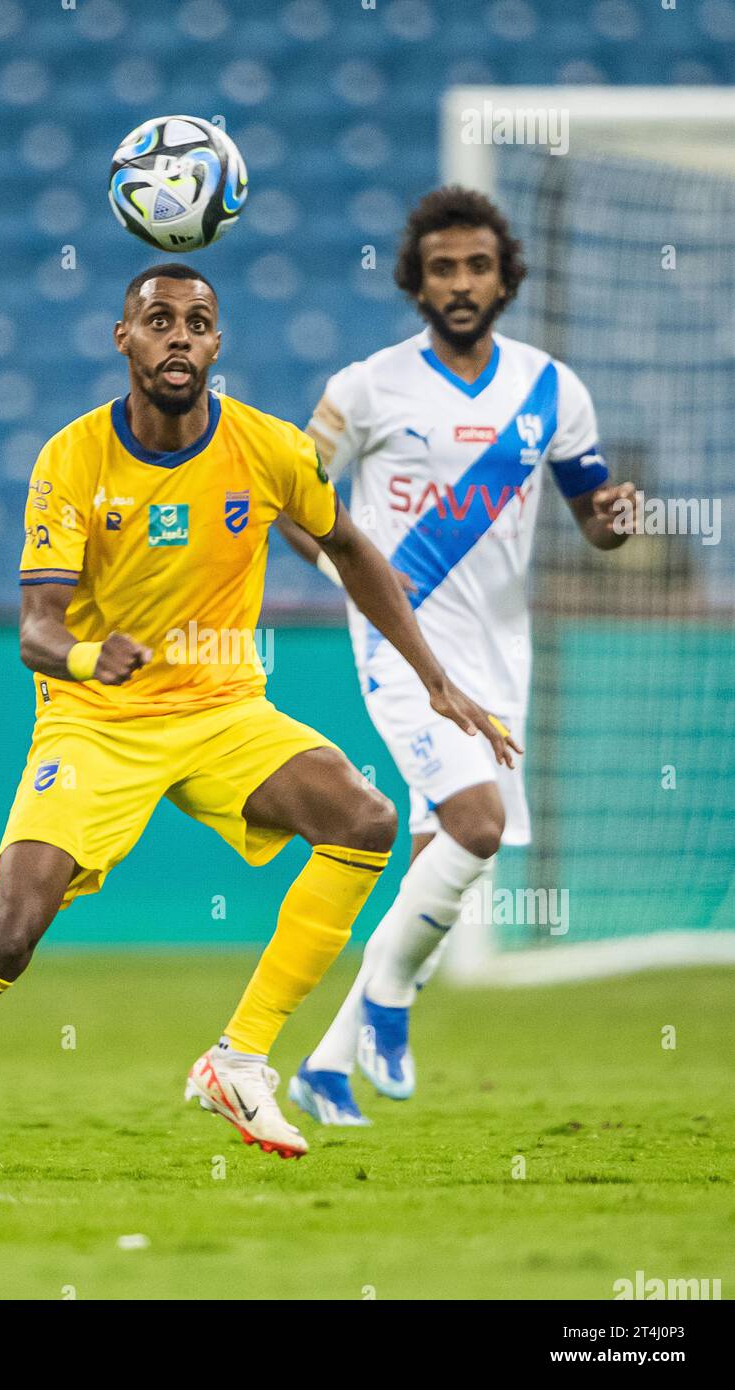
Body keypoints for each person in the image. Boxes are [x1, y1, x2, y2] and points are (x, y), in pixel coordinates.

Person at [0, 262, 513, 1175]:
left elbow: (352, 549)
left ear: (217, 343)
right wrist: (90, 656)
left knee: (365, 819)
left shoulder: (270, 448)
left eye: (198, 322)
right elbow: (37, 630)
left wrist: (436, 680)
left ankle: (239, 1058)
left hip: (223, 708)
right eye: (157, 320)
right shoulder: (74, 457)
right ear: (122, 339)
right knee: (9, 930)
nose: (179, 336)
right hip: (95, 721)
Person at [281, 188, 634, 1126]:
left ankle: (324, 1066)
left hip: (499, 658)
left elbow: (592, 516)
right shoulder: (365, 388)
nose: (462, 283)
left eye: (478, 265)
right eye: (443, 268)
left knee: (450, 861)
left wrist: (614, 521)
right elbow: (294, 505)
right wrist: (359, 577)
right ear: (416, 280)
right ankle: (388, 1010)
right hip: (404, 647)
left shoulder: (554, 391)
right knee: (474, 825)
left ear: (506, 275)